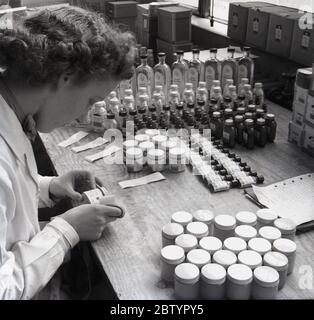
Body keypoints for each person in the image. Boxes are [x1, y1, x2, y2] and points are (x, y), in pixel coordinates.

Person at [0, 6, 136, 299]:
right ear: (66, 76)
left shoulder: (13, 108)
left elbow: (8, 196)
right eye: (90, 100)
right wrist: (66, 230)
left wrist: (48, 186)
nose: (83, 116)